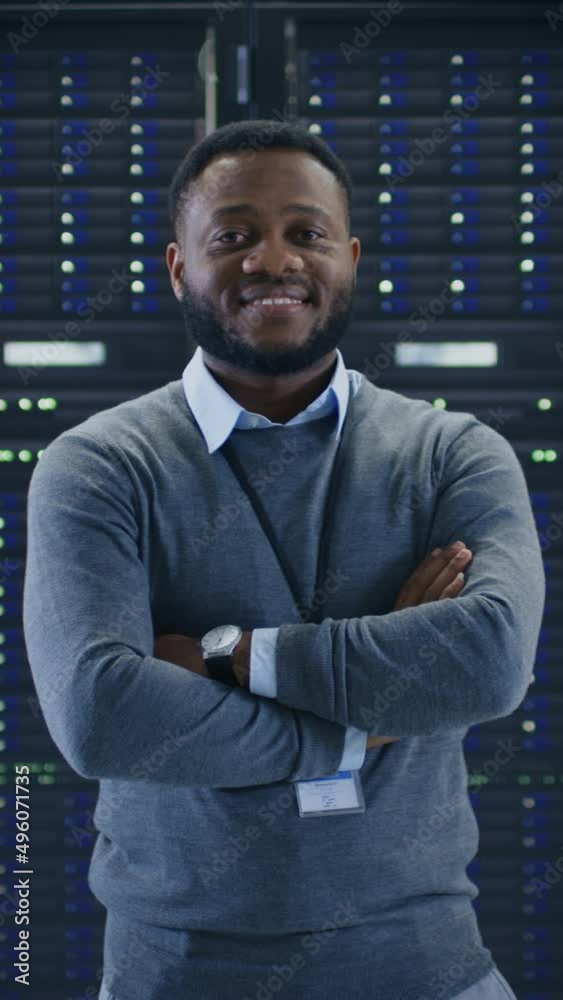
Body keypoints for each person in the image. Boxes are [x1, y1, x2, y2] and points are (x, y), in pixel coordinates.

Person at [23, 119, 545, 1000]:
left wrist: (229, 657)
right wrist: (363, 719)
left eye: (304, 233)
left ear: (347, 258)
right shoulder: (99, 466)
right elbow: (102, 714)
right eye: (233, 236)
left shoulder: (453, 454)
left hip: (430, 973)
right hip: (175, 977)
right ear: (179, 267)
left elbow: (489, 662)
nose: (274, 260)